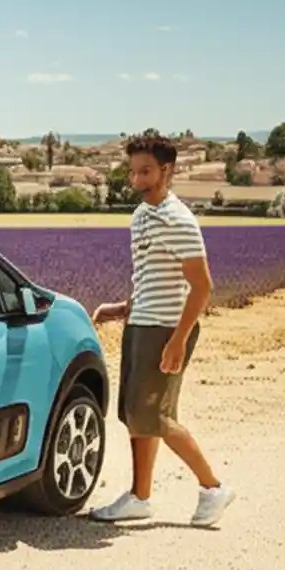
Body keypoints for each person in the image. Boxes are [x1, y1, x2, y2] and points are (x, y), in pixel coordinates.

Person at [88, 132, 235, 527]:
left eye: (146, 171)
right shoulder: (141, 216)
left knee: (155, 415)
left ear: (166, 170)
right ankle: (140, 496)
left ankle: (213, 487)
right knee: (135, 414)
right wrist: (122, 308)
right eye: (133, 170)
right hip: (142, 324)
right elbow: (150, 276)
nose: (136, 178)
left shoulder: (178, 219)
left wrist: (178, 339)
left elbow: (202, 286)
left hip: (166, 329)